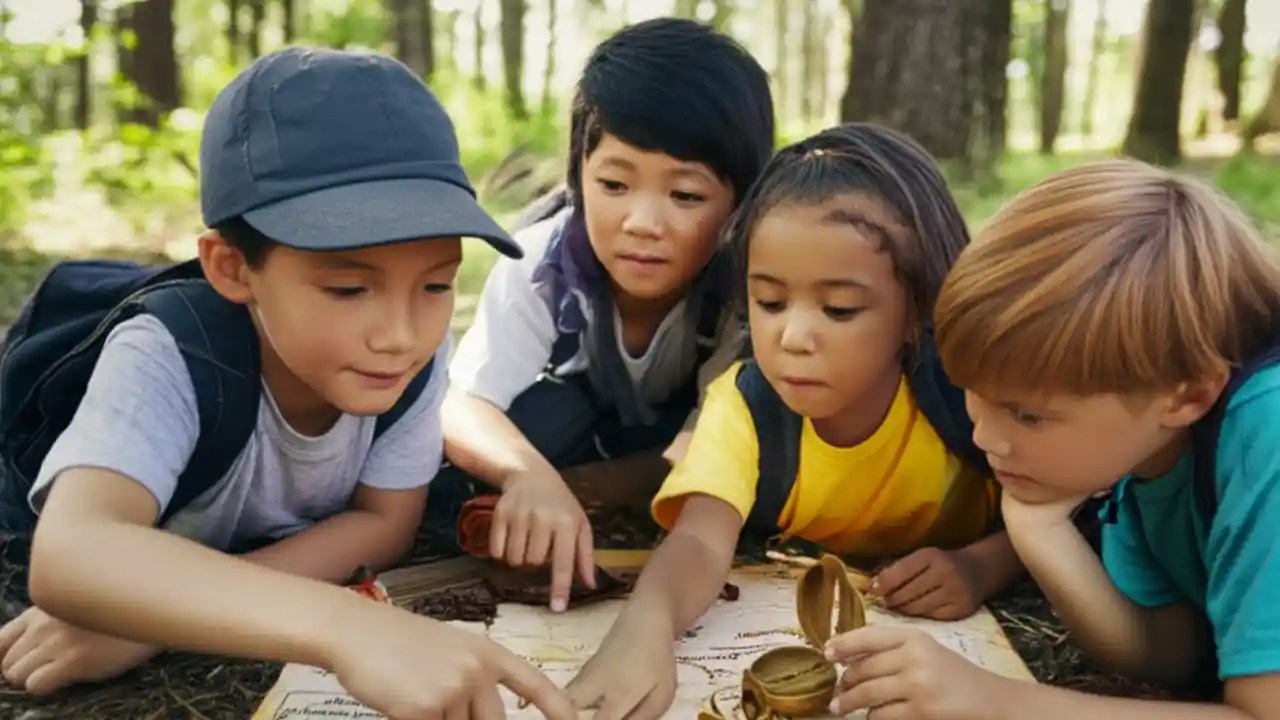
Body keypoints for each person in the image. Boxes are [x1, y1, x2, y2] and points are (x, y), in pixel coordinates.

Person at [0, 47, 574, 720]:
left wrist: (151, 623)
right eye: (349, 287)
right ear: (233, 269)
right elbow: (74, 555)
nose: (400, 332)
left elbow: (385, 522)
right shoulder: (172, 353)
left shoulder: (413, 363)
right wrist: (348, 626)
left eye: (438, 284)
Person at [563, 123, 1023, 719]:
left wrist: (983, 565)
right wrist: (645, 626)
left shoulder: (968, 393)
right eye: (770, 302)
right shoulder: (746, 405)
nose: (794, 337)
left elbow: (1070, 508)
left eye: (838, 309)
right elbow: (701, 537)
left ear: (917, 311)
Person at [824, 158, 1280, 720]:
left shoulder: (1267, 435)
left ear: (1187, 397)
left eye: (1028, 416)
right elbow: (1167, 651)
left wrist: (998, 702)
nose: (986, 436)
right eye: (973, 392)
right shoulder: (1145, 437)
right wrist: (1035, 525)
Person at [439, 17, 775, 612]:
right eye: (615, 184)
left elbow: (708, 450)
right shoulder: (542, 266)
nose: (643, 222)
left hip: (687, 440)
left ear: (741, 204)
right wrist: (526, 477)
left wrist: (584, 488)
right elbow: (463, 405)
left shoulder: (746, 294)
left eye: (686, 196)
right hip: (586, 424)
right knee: (530, 422)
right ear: (579, 176)